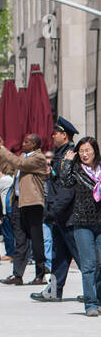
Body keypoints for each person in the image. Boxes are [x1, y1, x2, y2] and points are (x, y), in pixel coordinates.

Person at [0, 132, 50, 286]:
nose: (23, 144)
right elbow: (7, 167)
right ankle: (17, 274)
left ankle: (40, 274)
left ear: (34, 144)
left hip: (33, 203)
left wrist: (3, 148)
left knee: (36, 240)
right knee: (20, 240)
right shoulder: (22, 157)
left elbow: (20, 164)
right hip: (19, 203)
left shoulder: (38, 158)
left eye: (27, 142)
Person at [37, 117, 81, 301]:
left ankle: (95, 290)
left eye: (55, 133)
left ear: (64, 134)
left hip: (69, 215)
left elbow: (67, 190)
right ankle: (54, 291)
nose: (52, 136)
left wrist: (53, 212)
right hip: (59, 215)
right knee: (59, 257)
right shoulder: (60, 153)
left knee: (82, 257)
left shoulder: (70, 155)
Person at [58, 135, 101, 316]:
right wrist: (67, 162)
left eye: (87, 150)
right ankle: (90, 303)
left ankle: (98, 299)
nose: (84, 154)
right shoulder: (76, 170)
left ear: (95, 151)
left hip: (100, 223)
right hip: (82, 223)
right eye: (81, 151)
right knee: (89, 265)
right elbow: (65, 182)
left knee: (100, 265)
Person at [0, 164, 15, 259]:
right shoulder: (6, 180)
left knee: (7, 233)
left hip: (5, 210)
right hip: (5, 209)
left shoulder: (5, 180)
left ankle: (10, 253)